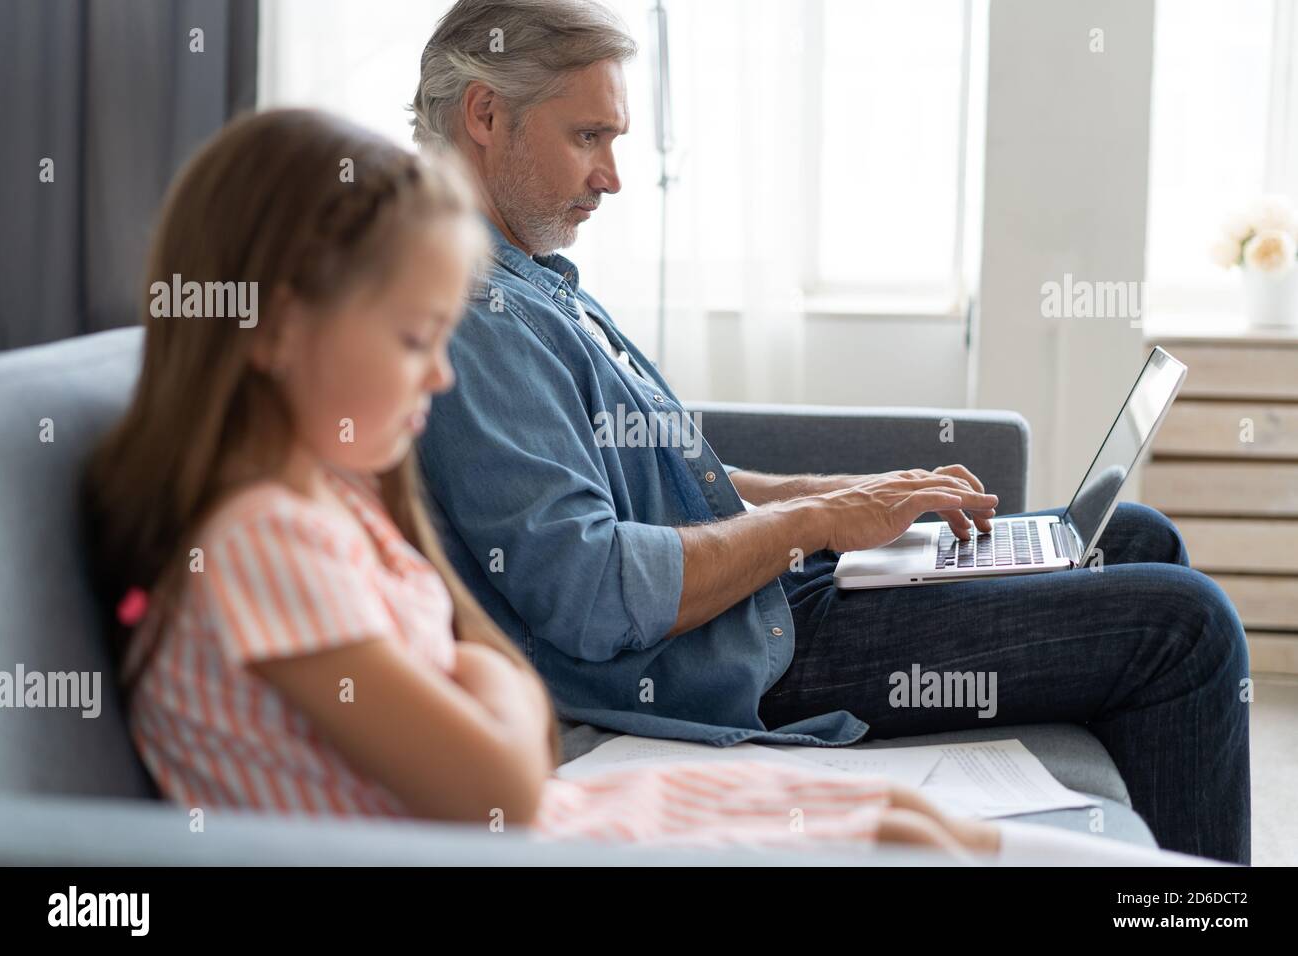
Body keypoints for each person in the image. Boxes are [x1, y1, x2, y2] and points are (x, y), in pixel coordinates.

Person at [410, 0, 1251, 863]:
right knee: (1186, 629)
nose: (612, 176)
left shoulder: (539, 285)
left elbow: (656, 477)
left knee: (1134, 535)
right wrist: (812, 526)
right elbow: (591, 594)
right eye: (589, 137)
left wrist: (845, 496)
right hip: (742, 663)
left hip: (758, 609)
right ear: (484, 114)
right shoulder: (476, 318)